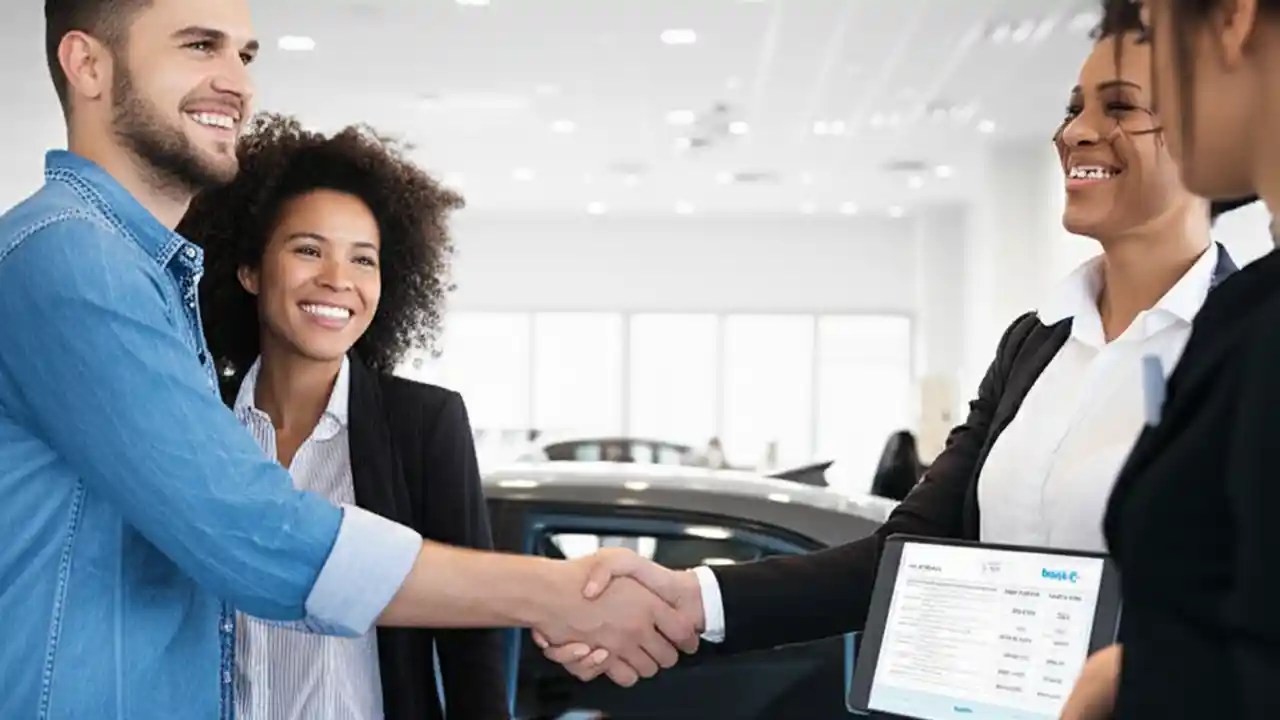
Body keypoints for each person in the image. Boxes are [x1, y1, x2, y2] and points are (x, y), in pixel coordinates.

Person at [0, 2, 694, 717]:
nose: (236, 82)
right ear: (88, 64)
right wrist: (554, 592)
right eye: (200, 46)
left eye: (245, 55)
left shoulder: (137, 277)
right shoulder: (75, 261)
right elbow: (252, 534)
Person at [536, 7, 1242, 690]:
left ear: (1208, 132)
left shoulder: (1248, 346)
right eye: (1073, 107)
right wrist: (693, 597)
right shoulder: (1036, 342)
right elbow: (908, 555)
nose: (1076, 132)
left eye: (1117, 107)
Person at [178, 114, 506, 719]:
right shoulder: (198, 419)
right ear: (248, 269)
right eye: (308, 250)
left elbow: (473, 634)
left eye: (363, 260)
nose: (337, 281)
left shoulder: (424, 423)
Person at [1059, 0, 1280, 717]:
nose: (1080, 133)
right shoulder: (1247, 317)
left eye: (1153, 29)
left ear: (1235, 17)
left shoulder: (1247, 328)